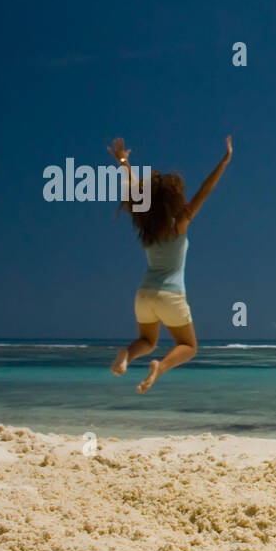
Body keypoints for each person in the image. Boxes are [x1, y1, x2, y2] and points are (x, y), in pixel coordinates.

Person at [108, 135, 232, 393]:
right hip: (171, 295)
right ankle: (160, 368)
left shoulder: (147, 228)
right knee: (189, 346)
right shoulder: (180, 224)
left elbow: (133, 191)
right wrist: (225, 160)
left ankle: (127, 356)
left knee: (146, 340)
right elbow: (204, 191)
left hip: (144, 294)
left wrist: (123, 161)